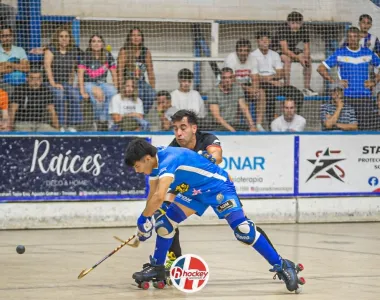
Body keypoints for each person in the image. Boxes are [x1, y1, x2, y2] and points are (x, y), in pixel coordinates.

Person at [124, 138, 305, 292]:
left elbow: (159, 196)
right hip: (195, 192)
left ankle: (283, 265)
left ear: (147, 158)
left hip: (218, 188)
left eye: (137, 166)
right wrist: (146, 222)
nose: (137, 170)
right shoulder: (154, 163)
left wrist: (143, 219)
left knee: (243, 231)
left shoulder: (168, 159)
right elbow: (152, 197)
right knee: (164, 224)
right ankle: (157, 267)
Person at [317, 26, 380, 130]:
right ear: (347, 38)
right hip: (346, 97)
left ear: (359, 37)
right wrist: (335, 82)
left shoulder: (368, 53)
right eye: (350, 37)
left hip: (364, 97)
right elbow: (321, 68)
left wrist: (374, 82)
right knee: (346, 127)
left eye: (355, 36)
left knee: (365, 127)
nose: (352, 39)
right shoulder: (340, 53)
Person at [252, 31, 304, 126]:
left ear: (270, 41)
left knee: (297, 94)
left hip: (275, 83)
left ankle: (293, 123)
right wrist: (271, 80)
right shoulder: (253, 55)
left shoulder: (275, 54)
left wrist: (272, 79)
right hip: (261, 84)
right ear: (257, 41)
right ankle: (272, 126)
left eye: (267, 40)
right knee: (270, 95)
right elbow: (255, 76)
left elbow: (281, 74)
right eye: (262, 40)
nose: (265, 42)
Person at [44, 27, 83, 132]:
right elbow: (47, 66)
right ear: (57, 38)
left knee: (74, 93)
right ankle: (61, 125)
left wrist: (71, 83)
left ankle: (72, 125)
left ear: (70, 38)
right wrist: (53, 83)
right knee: (59, 94)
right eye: (61, 36)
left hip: (65, 83)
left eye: (66, 36)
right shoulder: (51, 49)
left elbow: (73, 69)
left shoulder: (73, 50)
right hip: (49, 82)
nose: (64, 39)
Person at [223, 39, 266, 130]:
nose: (243, 53)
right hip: (229, 86)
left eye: (246, 50)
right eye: (241, 50)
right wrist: (248, 89)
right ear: (237, 51)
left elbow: (255, 78)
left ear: (249, 51)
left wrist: (254, 89)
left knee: (261, 93)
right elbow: (231, 80)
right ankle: (237, 125)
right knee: (240, 97)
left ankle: (258, 125)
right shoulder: (231, 59)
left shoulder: (253, 59)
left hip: (245, 86)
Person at [78, 34, 118, 131]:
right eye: (94, 41)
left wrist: (117, 88)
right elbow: (80, 74)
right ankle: (97, 121)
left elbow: (114, 73)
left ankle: (105, 120)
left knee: (113, 92)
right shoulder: (85, 55)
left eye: (99, 41)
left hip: (102, 83)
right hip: (88, 83)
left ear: (102, 44)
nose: (96, 43)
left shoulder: (108, 55)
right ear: (90, 44)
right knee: (98, 96)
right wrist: (82, 91)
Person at [272, 11, 317, 96]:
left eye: (298, 23)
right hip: (276, 49)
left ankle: (307, 88)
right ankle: (286, 88)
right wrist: (298, 58)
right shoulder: (283, 29)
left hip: (291, 49)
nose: (296, 26)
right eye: (293, 23)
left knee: (308, 59)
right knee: (287, 59)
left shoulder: (304, 29)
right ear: (288, 23)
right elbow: (284, 50)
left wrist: (305, 57)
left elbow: (307, 48)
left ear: (301, 23)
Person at [117, 27, 156, 114]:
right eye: (133, 35)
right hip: (128, 82)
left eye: (138, 35)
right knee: (140, 93)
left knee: (151, 94)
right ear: (129, 38)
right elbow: (119, 72)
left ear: (141, 38)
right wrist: (120, 88)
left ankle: (142, 115)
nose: (136, 38)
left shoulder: (146, 52)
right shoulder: (124, 51)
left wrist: (152, 88)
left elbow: (150, 72)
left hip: (141, 82)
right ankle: (133, 116)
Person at [208, 67, 258, 131]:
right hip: (218, 126)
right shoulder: (213, 92)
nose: (227, 80)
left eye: (230, 77)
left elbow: (244, 109)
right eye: (224, 78)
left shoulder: (237, 88)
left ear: (233, 78)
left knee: (250, 131)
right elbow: (217, 117)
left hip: (234, 124)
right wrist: (232, 131)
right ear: (221, 78)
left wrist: (252, 126)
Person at [0, 26, 30, 95]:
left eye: (9, 35)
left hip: (21, 81)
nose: (7, 38)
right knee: (10, 89)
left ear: (12, 36)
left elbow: (26, 68)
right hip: (2, 82)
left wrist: (9, 64)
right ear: (0, 38)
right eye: (3, 36)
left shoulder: (20, 50)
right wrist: (18, 66)